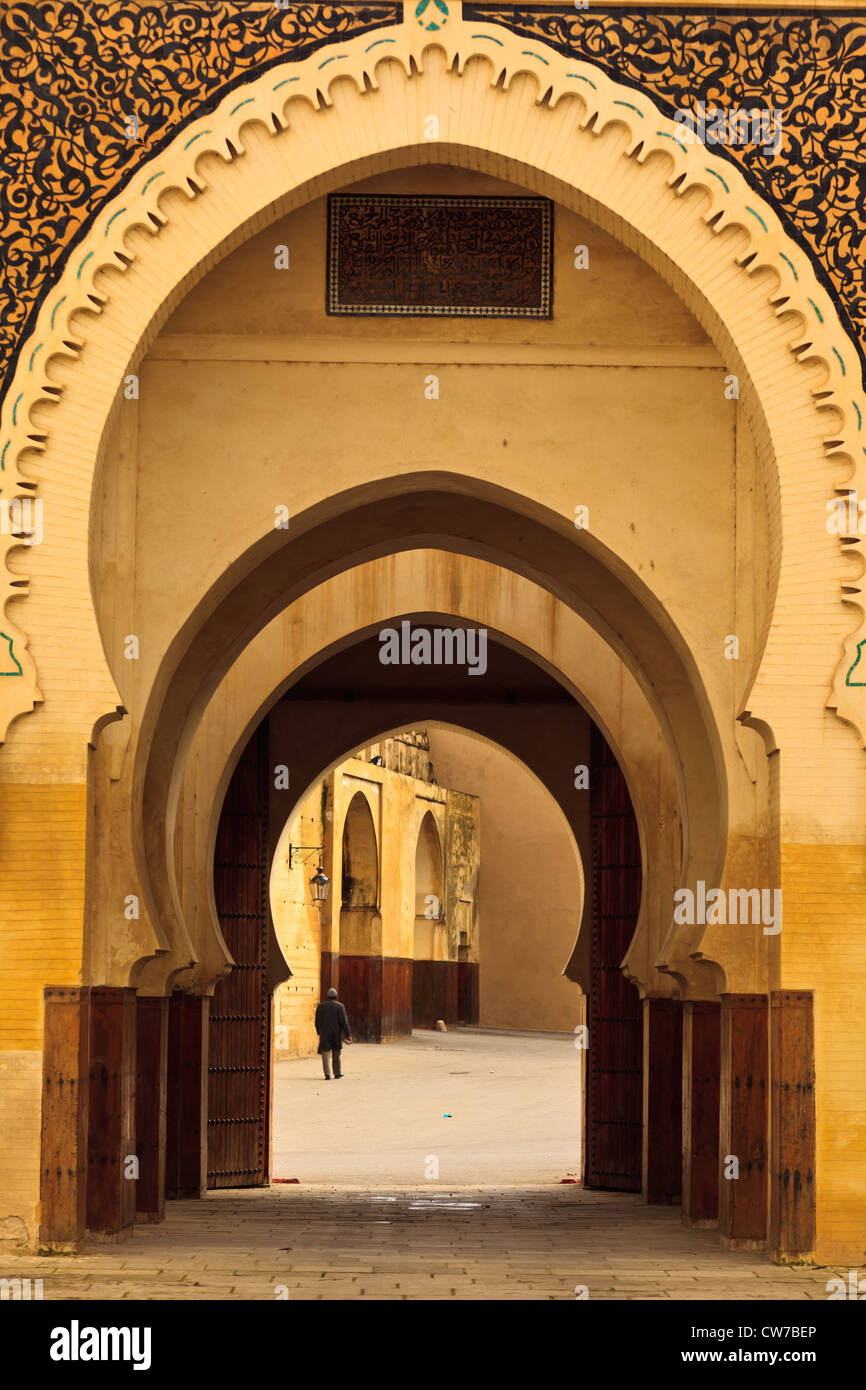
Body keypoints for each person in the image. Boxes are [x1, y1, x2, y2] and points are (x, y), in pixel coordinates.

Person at [314, 987, 352, 1079]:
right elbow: (344, 1022)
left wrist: (319, 1031)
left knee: (325, 1055)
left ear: (327, 996)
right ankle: (337, 1073)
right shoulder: (340, 1007)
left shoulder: (320, 1006)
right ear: (336, 996)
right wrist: (348, 1035)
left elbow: (317, 1021)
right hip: (336, 1034)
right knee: (336, 1054)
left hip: (324, 1034)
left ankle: (327, 1074)